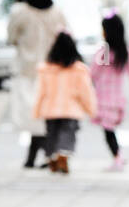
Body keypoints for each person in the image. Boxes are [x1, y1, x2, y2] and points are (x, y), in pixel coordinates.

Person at [7, 0, 67, 168]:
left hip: (28, 70)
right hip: (52, 71)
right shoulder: (57, 12)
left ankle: (37, 156)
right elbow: (66, 37)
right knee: (46, 115)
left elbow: (11, 37)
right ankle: (42, 155)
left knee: (34, 115)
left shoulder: (19, 12)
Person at [32, 31, 97, 174]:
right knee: (68, 134)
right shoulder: (79, 69)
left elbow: (40, 91)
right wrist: (90, 109)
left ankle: (52, 157)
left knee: (51, 135)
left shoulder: (46, 69)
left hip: (50, 109)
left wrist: (36, 110)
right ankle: (63, 154)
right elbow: (86, 92)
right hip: (70, 109)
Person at [90, 12, 129, 171]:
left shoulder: (104, 51)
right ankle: (119, 157)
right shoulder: (124, 51)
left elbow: (93, 73)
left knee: (108, 131)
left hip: (104, 98)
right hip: (118, 98)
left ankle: (118, 158)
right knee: (110, 130)